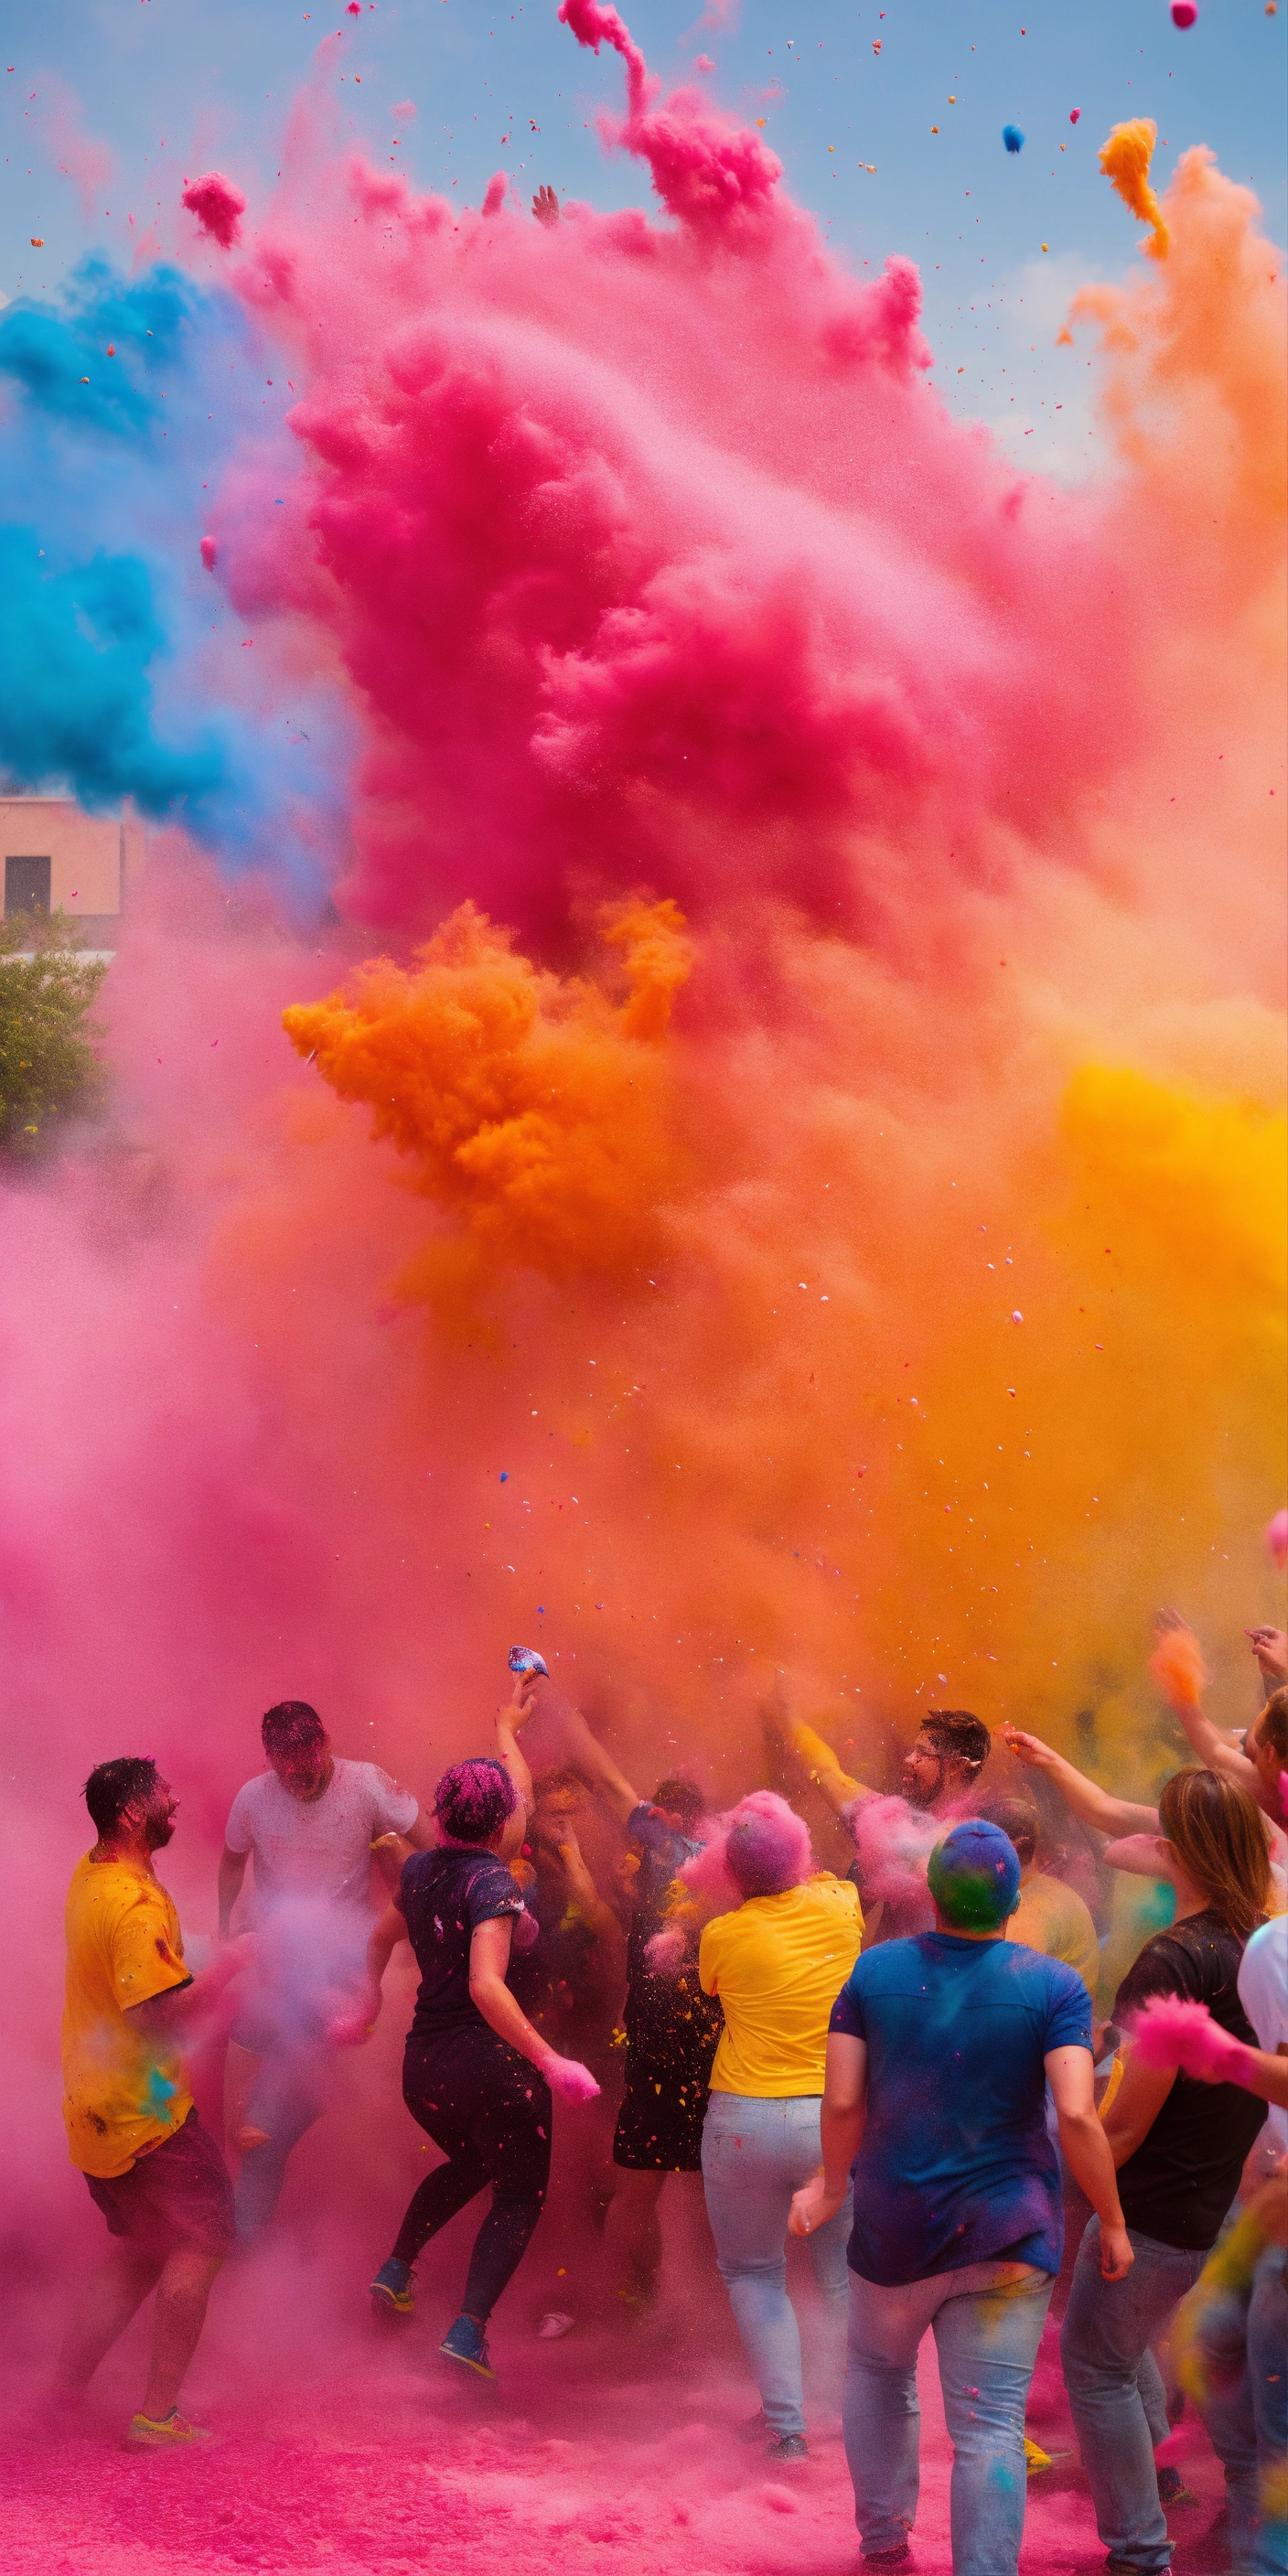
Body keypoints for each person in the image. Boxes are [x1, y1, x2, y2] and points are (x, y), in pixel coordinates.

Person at [789, 1818, 1132, 2576]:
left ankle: (884, 2543)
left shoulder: (873, 1973)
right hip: (1010, 2234)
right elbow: (1078, 2115)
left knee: (878, 2375)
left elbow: (842, 2101)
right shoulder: (1054, 1985)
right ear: (1015, 1900)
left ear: (931, 1893)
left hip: (896, 2231)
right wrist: (1111, 2219)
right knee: (990, 2427)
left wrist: (831, 2185)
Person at [1060, 1767, 1272, 2575]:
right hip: (1236, 2206)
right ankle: (1250, 2529)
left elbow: (1121, 2129)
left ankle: (1140, 2553)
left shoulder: (1171, 1963)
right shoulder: (1263, 1944)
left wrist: (1085, 2196)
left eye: (1159, 1833)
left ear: (1176, 1852)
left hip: (1158, 2211)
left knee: (1098, 2366)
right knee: (1209, 2368)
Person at [361, 1707, 600, 2383]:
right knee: (519, 2192)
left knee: (471, 2162)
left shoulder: (419, 1871)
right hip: (488, 2066)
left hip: (423, 2067)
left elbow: (378, 1941)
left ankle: (396, 2270)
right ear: (502, 1828)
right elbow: (486, 1986)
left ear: (440, 1816)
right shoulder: (493, 1880)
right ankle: (468, 2332)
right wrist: (550, 2061)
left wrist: (366, 2001)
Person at [55, 1757, 249, 2448]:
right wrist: (230, 1967)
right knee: (204, 2240)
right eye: (163, 1794)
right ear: (132, 1814)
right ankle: (158, 2417)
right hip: (145, 2117)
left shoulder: (93, 1871)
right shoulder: (133, 1903)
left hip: (93, 2108)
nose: (175, 1802)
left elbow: (131, 1972)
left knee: (143, 2249)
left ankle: (63, 2390)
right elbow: (156, 2019)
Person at [217, 1700, 431, 2241]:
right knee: (247, 2107)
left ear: (325, 1742)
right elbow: (232, 1860)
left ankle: (254, 2232)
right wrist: (224, 1927)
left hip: (346, 1967)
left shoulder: (368, 1784)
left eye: (308, 1759)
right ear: (269, 1759)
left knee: (283, 2112)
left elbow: (433, 1847)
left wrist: (427, 1918)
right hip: (277, 1968)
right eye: (285, 1765)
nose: (299, 1774)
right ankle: (249, 2236)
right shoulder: (253, 1798)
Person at [693, 1790, 864, 2462]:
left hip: (744, 2120)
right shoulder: (841, 1905)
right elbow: (828, 1878)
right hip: (831, 2119)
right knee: (841, 2274)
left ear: (729, 1872)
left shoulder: (721, 1935)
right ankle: (855, 2413)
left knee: (754, 2274)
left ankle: (788, 2430)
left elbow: (710, 1989)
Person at [603, 1777, 723, 2313]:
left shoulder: (697, 1859)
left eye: (674, 1813)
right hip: (670, 2046)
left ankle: (696, 2302)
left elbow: (614, 1785)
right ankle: (641, 2301)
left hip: (694, 2046)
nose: (664, 1821)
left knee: (699, 2186)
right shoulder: (664, 1867)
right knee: (648, 2187)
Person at [772, 1697, 993, 1942]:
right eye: (913, 1750)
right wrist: (786, 1715)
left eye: (923, 1753)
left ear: (957, 1767)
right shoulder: (890, 1820)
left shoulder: (983, 1846)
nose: (908, 1759)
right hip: (884, 1965)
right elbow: (826, 1772)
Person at [982, 1796, 1100, 1993]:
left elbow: (1003, 1985)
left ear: (1017, 1845)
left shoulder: (1030, 1910)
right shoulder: (1036, 1888)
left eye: (984, 1841)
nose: (974, 1850)